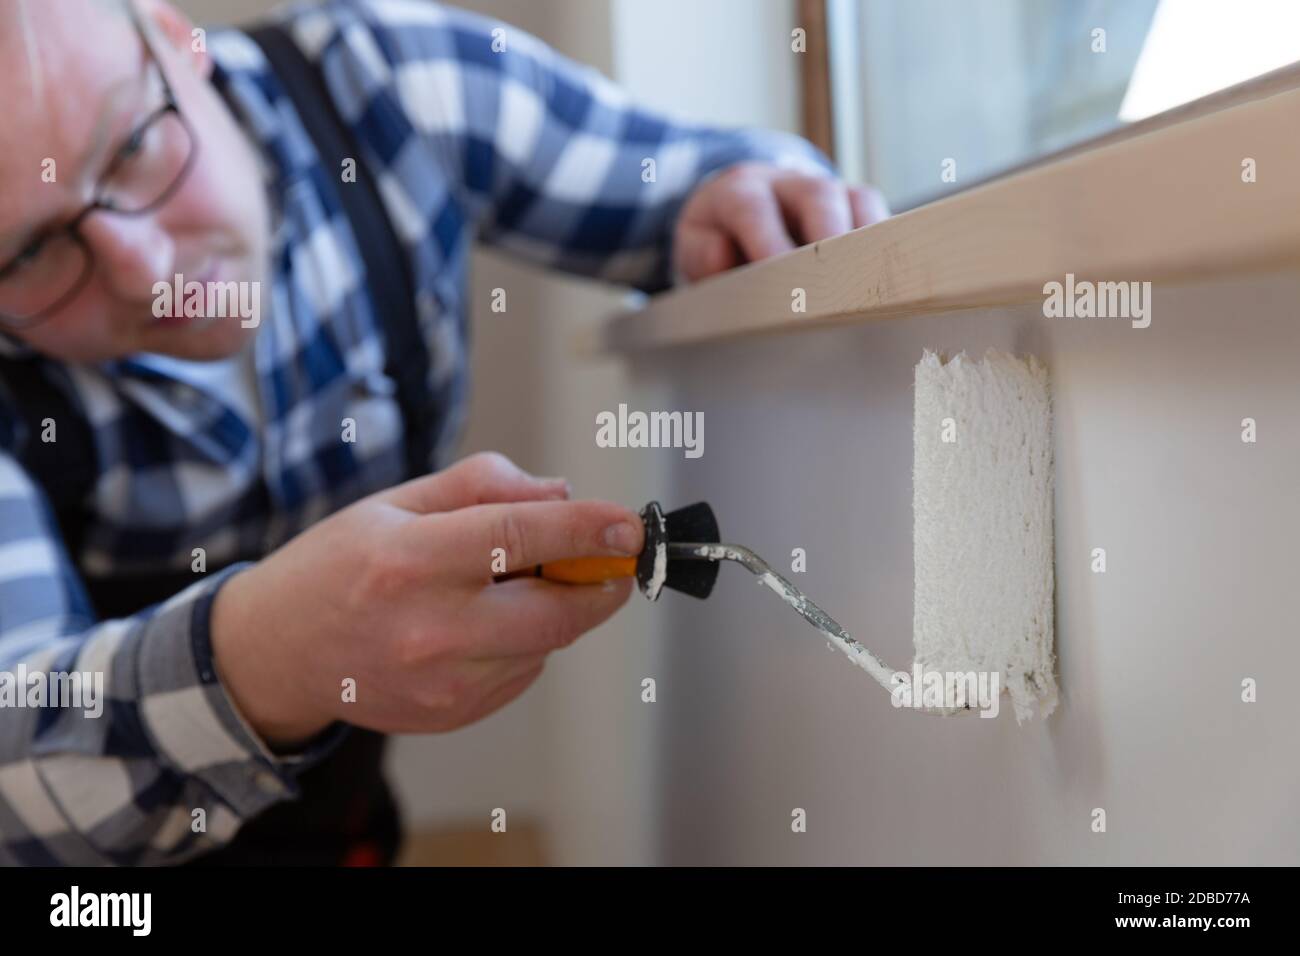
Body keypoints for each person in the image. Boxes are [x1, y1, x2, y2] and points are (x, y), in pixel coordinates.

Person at [0, 0, 888, 865]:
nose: (144, 269)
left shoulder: (382, 83)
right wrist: (268, 656)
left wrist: (744, 201)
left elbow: (706, 175)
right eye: (31, 251)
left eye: (131, 148)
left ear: (175, 39)